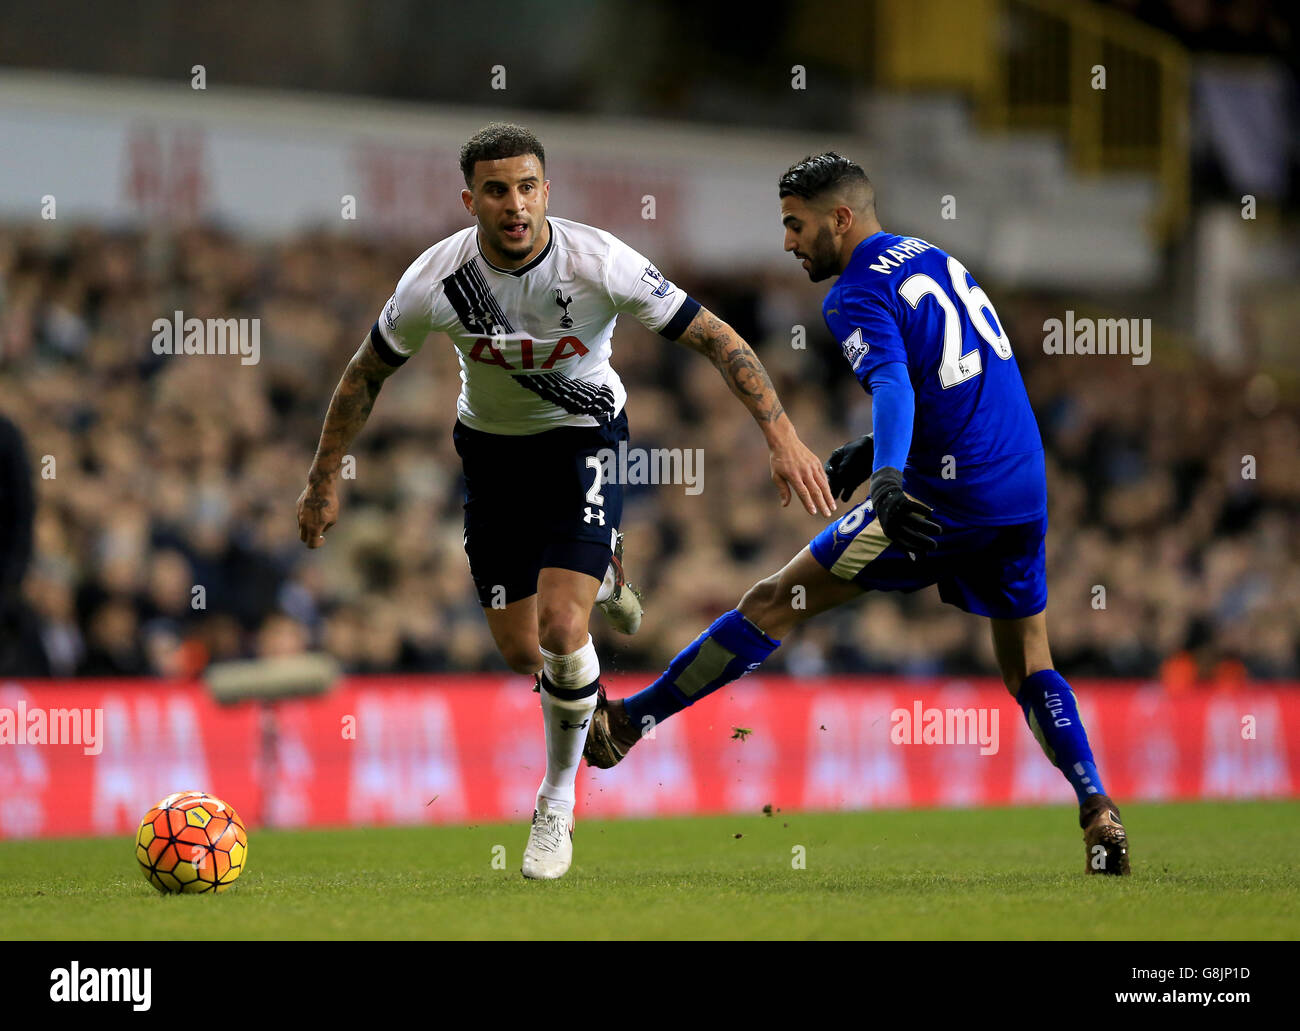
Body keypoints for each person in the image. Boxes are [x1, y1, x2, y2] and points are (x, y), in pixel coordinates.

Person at [296, 124, 833, 880]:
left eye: (526, 187)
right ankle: (605, 574)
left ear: (547, 190)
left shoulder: (599, 262)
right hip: (489, 456)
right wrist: (323, 478)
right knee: (526, 652)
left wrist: (782, 437)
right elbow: (363, 375)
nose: (513, 204)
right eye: (495, 190)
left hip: (584, 438)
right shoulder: (436, 280)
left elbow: (715, 337)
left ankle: (555, 801)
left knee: (559, 627)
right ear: (470, 199)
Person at [583, 152, 1131, 876]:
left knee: (774, 601)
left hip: (947, 495)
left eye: (795, 224)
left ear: (841, 219)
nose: (787, 241)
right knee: (1031, 660)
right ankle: (1097, 805)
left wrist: (888, 476)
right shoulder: (936, 259)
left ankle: (629, 722)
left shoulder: (854, 292)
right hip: (1021, 490)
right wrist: (872, 447)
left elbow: (896, 384)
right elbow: (963, 381)